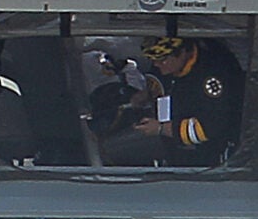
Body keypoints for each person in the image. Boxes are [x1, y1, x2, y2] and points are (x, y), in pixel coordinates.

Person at [96, 33, 246, 168]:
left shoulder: (211, 77)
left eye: (162, 60)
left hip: (203, 157)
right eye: (153, 60)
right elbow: (161, 83)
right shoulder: (167, 64)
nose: (156, 65)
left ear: (183, 53)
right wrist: (146, 94)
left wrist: (161, 128)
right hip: (169, 147)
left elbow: (209, 127)